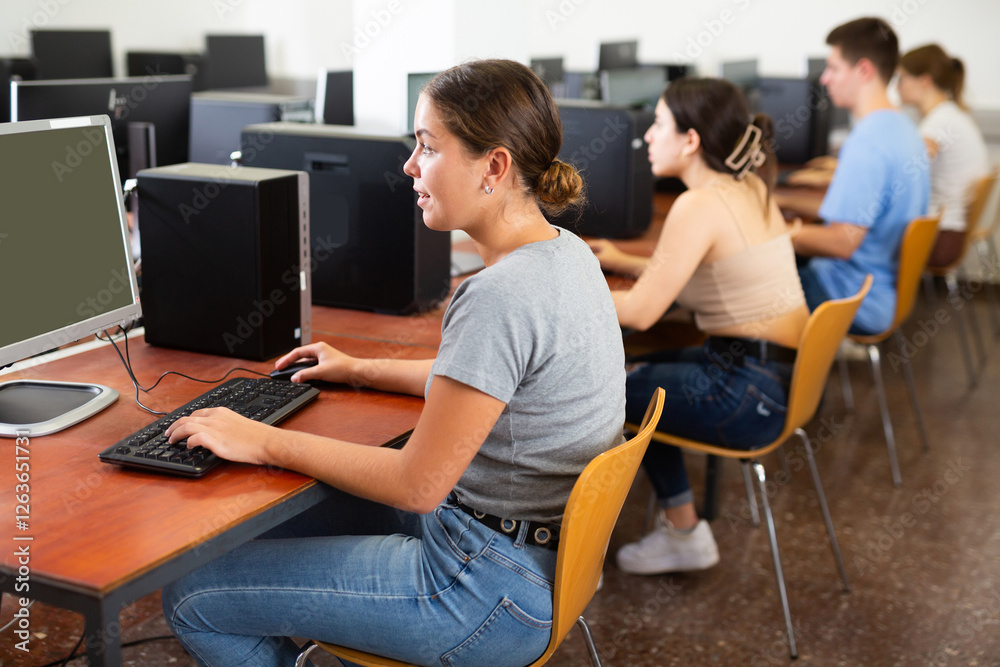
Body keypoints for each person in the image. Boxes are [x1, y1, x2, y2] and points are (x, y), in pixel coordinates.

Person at [159, 59, 627, 667]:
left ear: (494, 166)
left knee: (193, 593)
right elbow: (486, 385)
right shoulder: (566, 255)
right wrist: (359, 368)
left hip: (479, 589)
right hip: (530, 560)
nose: (409, 165)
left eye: (427, 147)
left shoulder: (500, 296)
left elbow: (418, 485)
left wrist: (261, 439)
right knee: (255, 528)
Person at [588, 77, 809, 575]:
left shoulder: (699, 204)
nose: (646, 136)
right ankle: (682, 527)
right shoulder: (748, 185)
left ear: (690, 141)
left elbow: (644, 312)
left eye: (659, 124)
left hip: (744, 393)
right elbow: (695, 275)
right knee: (639, 379)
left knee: (614, 391)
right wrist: (625, 257)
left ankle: (595, 553)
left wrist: (556, 287)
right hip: (772, 381)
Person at [792, 17, 929, 335]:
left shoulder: (868, 141)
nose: (825, 79)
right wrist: (784, 200)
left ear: (864, 70)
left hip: (850, 296)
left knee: (744, 280)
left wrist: (778, 232)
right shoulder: (903, 127)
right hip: (882, 289)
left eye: (834, 68)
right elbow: (856, 217)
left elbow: (843, 242)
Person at [897, 44, 990, 268]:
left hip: (940, 239)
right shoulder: (951, 115)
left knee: (859, 235)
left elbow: (907, 173)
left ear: (924, 81)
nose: (897, 87)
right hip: (951, 233)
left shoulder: (938, 123)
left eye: (901, 78)